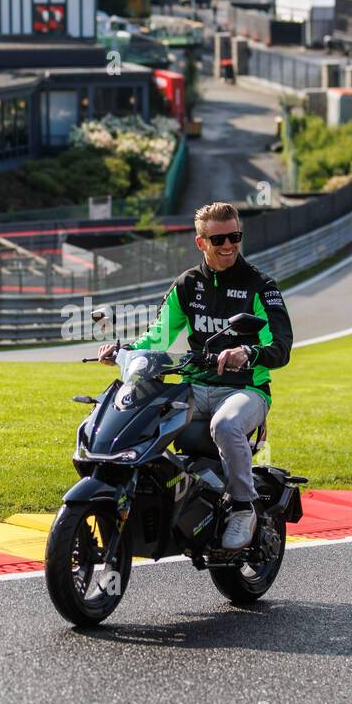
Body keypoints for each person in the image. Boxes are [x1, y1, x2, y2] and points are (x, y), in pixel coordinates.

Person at [98, 202, 294, 551]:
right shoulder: (187, 285)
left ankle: (242, 507)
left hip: (246, 390)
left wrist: (247, 353)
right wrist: (124, 351)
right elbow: (156, 336)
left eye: (235, 236)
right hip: (196, 385)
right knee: (144, 418)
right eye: (219, 238)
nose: (229, 245)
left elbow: (280, 346)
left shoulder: (261, 286)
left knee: (226, 425)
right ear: (201, 242)